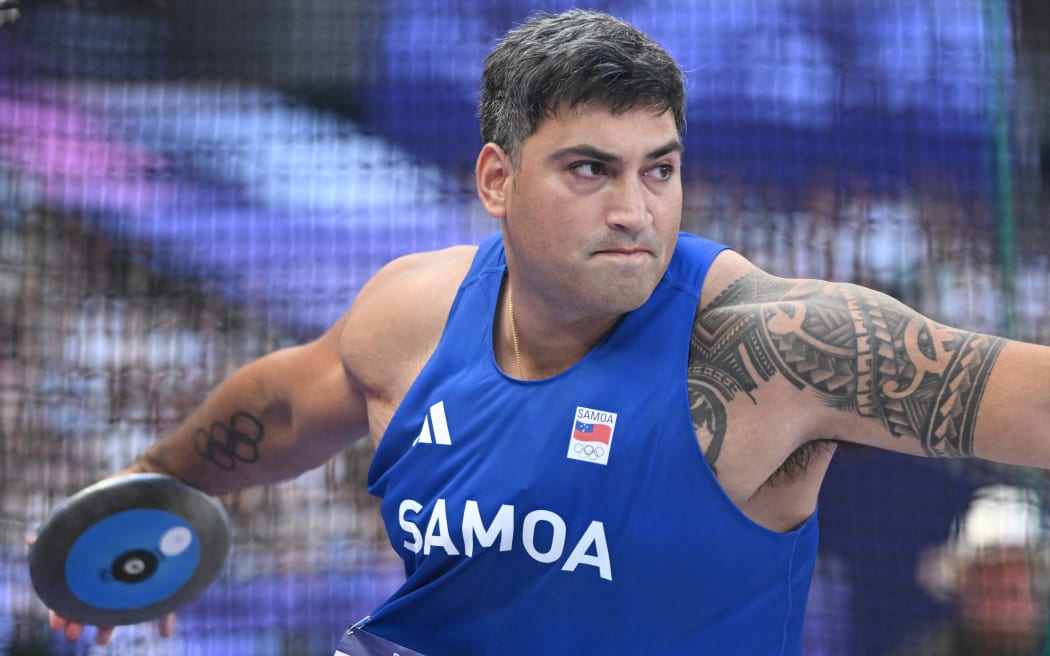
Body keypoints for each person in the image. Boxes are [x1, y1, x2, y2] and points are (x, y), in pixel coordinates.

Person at [40, 9, 1050, 655]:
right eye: (589, 169)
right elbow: (275, 404)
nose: (636, 209)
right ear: (495, 180)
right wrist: (141, 504)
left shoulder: (772, 344)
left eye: (658, 167)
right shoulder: (413, 313)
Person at [891, 485, 1049, 656]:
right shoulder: (928, 650)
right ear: (963, 592)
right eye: (989, 592)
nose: (1003, 607)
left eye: (1013, 592)